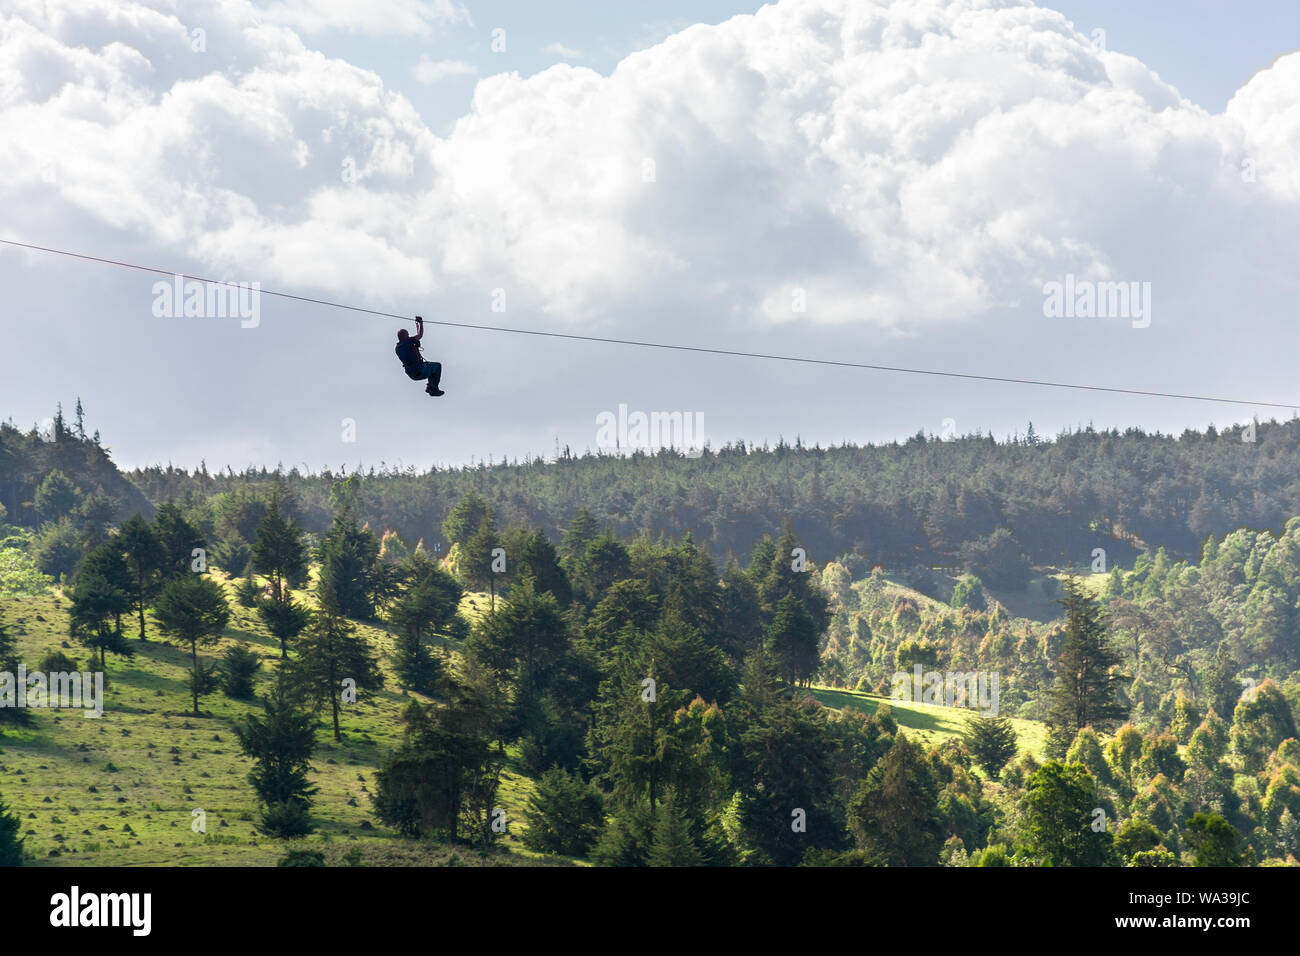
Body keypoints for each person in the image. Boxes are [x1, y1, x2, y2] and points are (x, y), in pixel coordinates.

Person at [395, 316, 444, 397]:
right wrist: (421, 323)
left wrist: (415, 347)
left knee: (431, 369)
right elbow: (419, 335)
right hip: (419, 370)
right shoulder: (407, 342)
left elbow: (409, 353)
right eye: (407, 334)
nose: (409, 336)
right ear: (404, 336)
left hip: (412, 374)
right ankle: (433, 388)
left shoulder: (397, 348)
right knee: (437, 366)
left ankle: (431, 386)